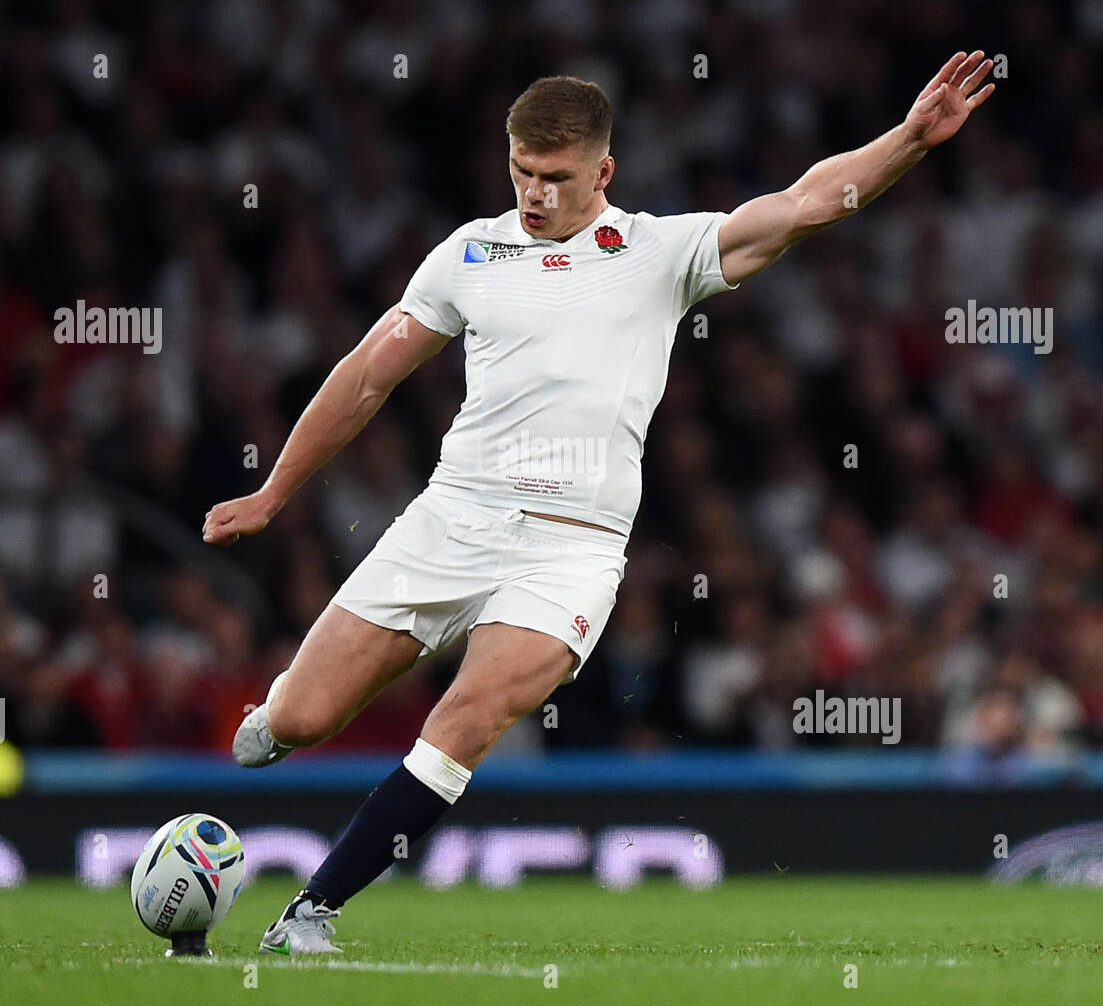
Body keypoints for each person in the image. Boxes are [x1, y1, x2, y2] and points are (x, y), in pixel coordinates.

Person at [202, 54, 996, 953]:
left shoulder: (658, 253)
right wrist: (273, 491)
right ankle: (277, 715)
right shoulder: (469, 252)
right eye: (521, 173)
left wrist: (906, 140)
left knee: (467, 720)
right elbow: (364, 378)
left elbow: (805, 202)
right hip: (452, 516)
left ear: (602, 172)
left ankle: (312, 913)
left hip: (572, 548)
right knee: (305, 721)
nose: (534, 194)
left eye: (555, 177)